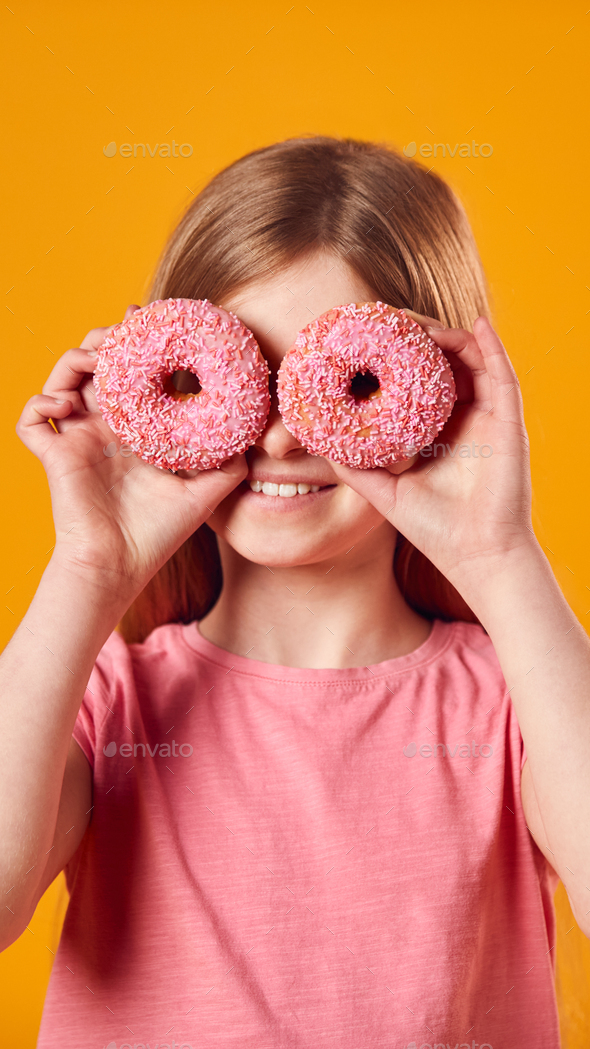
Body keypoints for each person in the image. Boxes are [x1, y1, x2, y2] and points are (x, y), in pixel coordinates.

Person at [1, 136, 588, 1049]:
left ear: (446, 397)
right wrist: (88, 571)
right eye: (237, 378)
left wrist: (500, 551)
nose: (278, 439)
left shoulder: (516, 700)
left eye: (344, 384)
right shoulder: (105, 699)